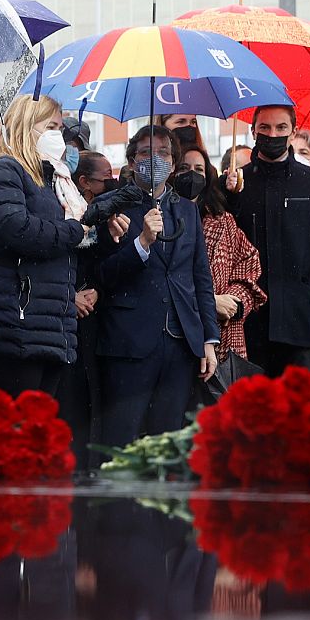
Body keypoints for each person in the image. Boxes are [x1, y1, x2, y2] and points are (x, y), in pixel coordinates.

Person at [92, 125, 220, 445]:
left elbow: (200, 278)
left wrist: (208, 339)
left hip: (179, 343)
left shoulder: (187, 210)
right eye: (146, 152)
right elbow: (100, 275)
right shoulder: (109, 206)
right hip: (129, 342)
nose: (155, 159)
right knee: (121, 442)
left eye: (163, 153)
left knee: (169, 443)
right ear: (132, 161)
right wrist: (142, 244)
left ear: (174, 164)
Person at [0, 95, 87, 397]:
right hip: (11, 326)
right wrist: (74, 231)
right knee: (7, 432)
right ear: (25, 127)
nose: (59, 135)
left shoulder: (57, 182)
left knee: (36, 434)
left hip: (49, 328)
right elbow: (16, 229)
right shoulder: (3, 169)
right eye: (51, 126)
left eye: (61, 127)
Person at [225, 105, 310, 376]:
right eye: (265, 128)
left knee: (294, 414)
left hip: (297, 323)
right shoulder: (237, 182)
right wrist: (231, 196)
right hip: (248, 322)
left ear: (293, 132)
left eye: (281, 128)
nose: (273, 134)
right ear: (253, 131)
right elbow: (226, 243)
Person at [59, 150, 129, 467]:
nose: (111, 184)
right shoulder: (65, 209)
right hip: (64, 322)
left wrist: (96, 290)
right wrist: (68, 296)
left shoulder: (109, 215)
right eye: (105, 179)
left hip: (94, 321)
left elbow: (106, 265)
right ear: (84, 182)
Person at [179, 145, 264, 364]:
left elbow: (249, 262)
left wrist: (234, 302)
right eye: (184, 168)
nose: (192, 174)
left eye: (199, 169)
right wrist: (208, 302)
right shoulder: (161, 220)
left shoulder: (222, 220)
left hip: (224, 338)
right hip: (179, 336)